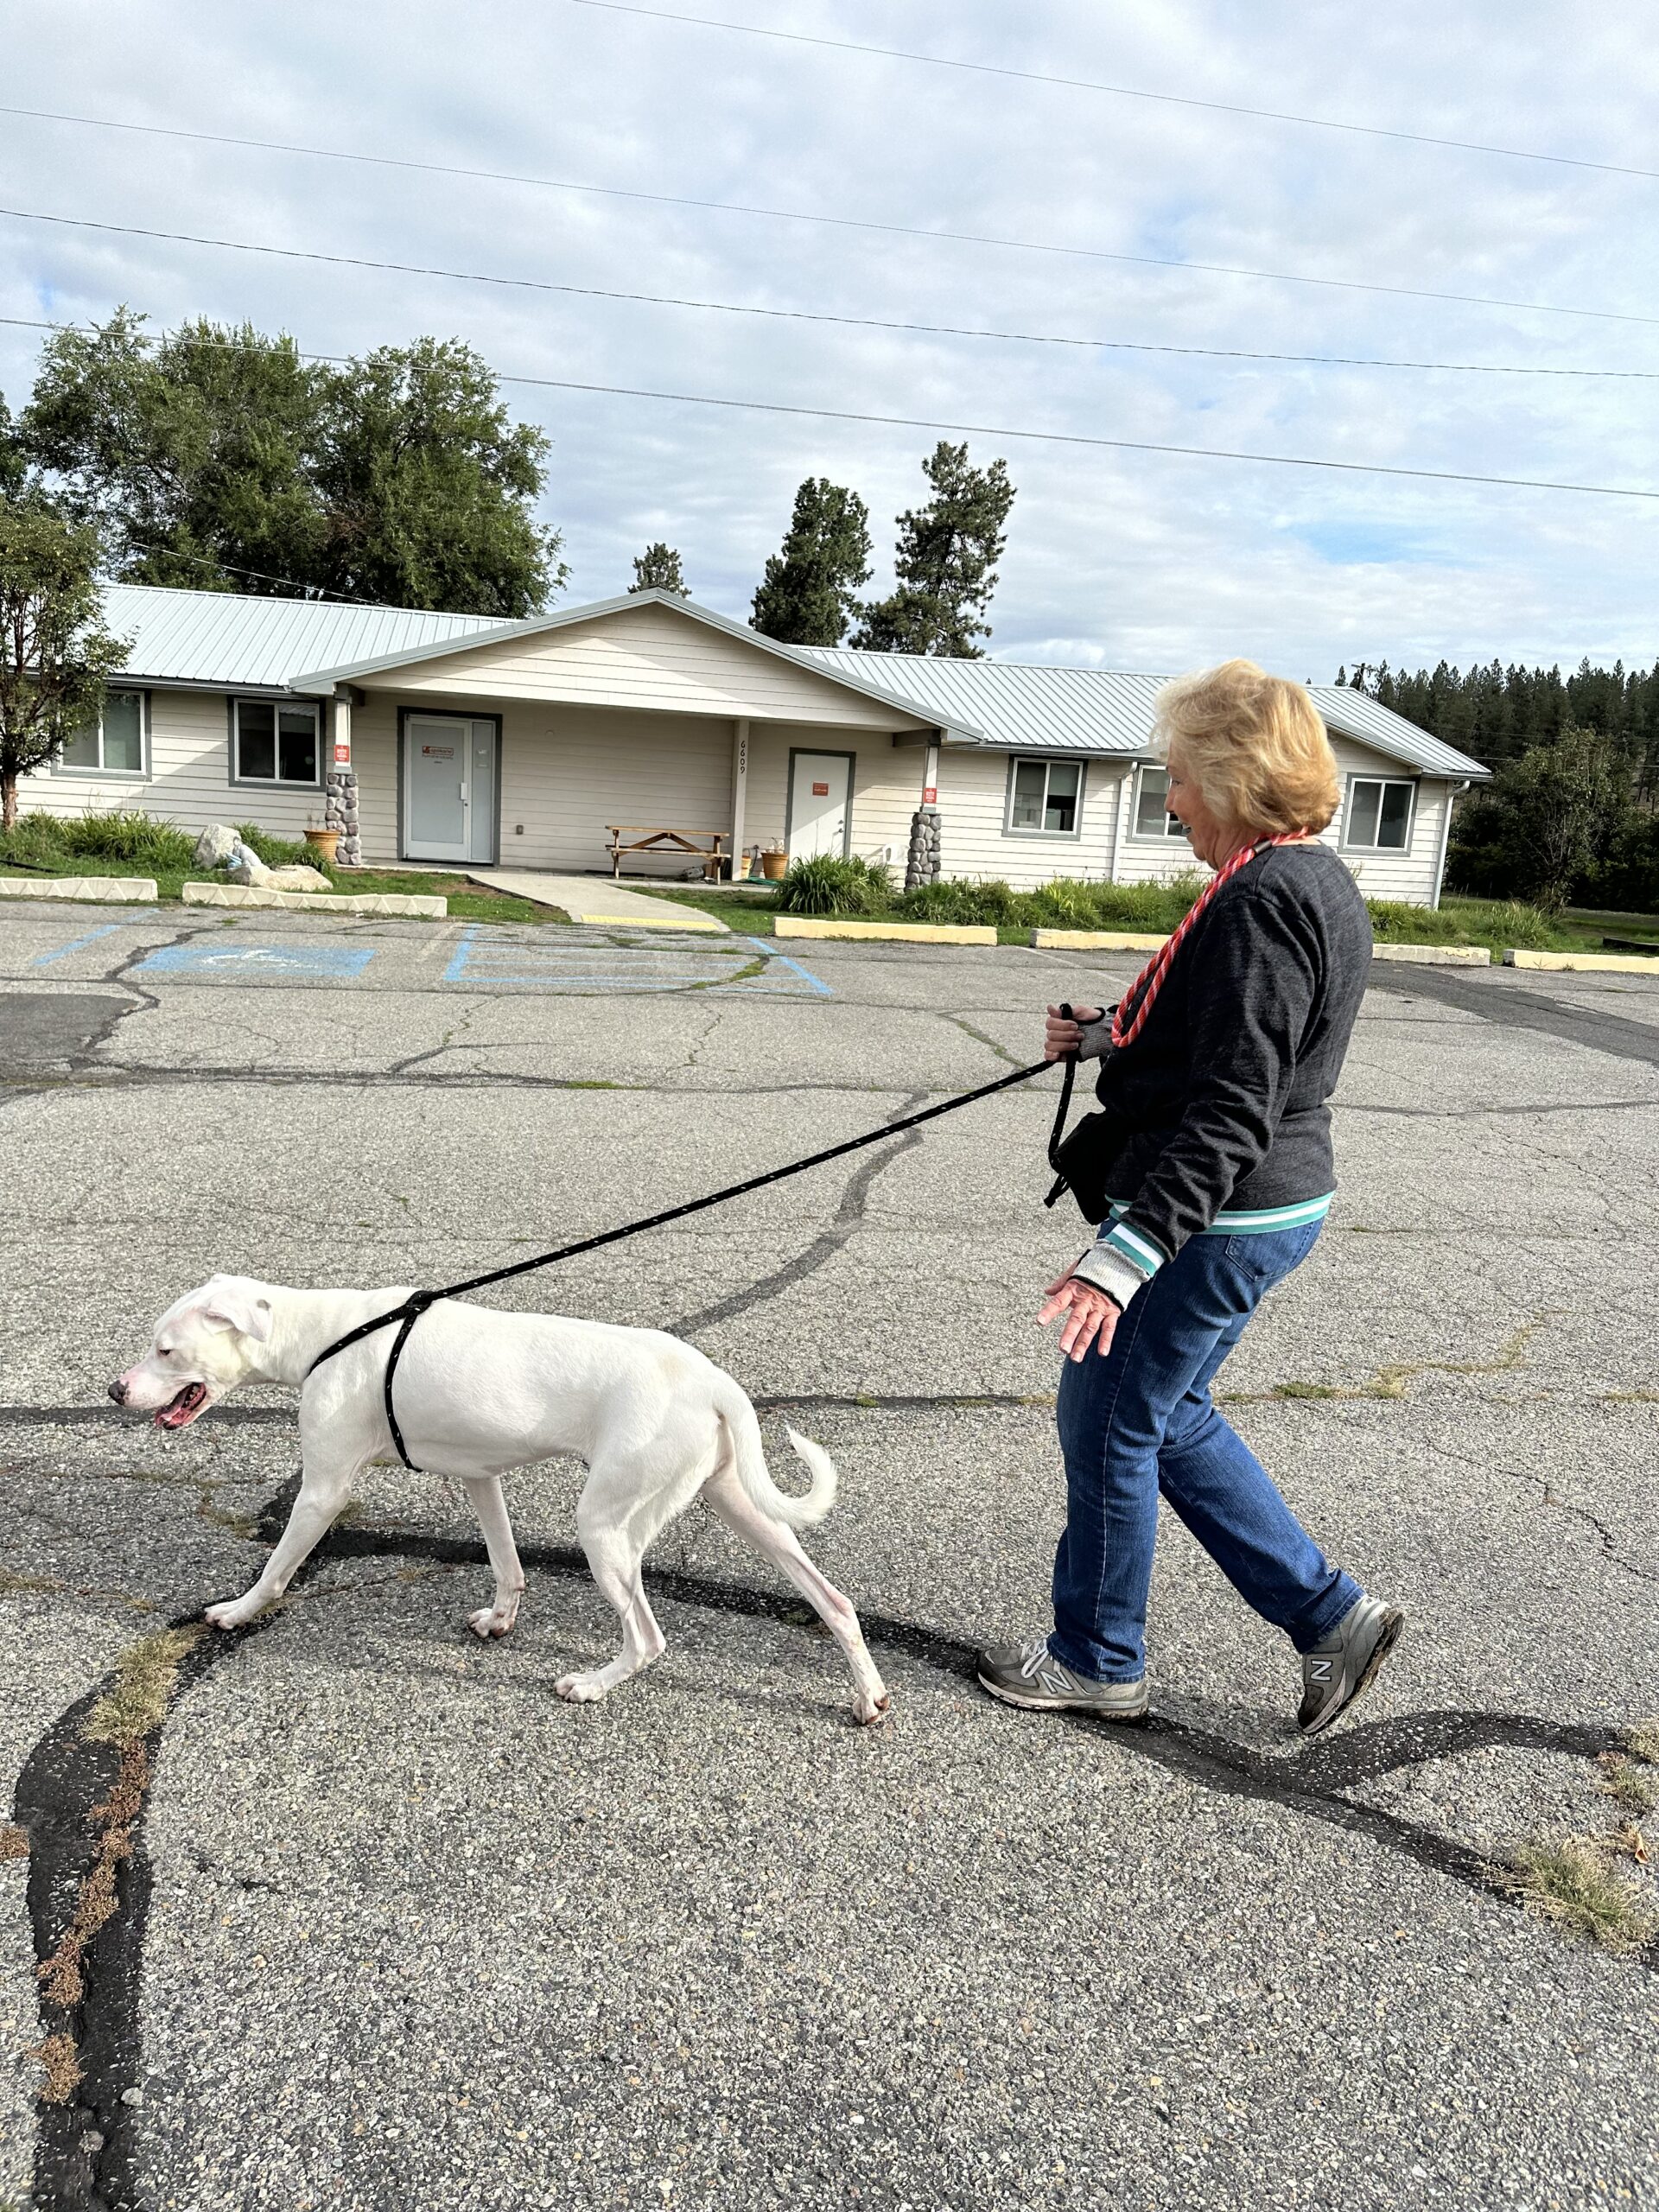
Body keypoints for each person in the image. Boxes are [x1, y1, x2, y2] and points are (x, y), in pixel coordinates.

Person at [977, 659, 1402, 1736]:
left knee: (1110, 1420)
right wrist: (1111, 1031)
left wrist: (1121, 1258)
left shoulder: (1264, 899)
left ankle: (1097, 1659)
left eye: (1176, 779)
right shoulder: (1307, 875)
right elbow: (1235, 1037)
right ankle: (1330, 1616)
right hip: (1263, 1204)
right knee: (1160, 1418)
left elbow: (1233, 1104)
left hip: (1217, 1214)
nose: (1169, 801)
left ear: (1232, 775)